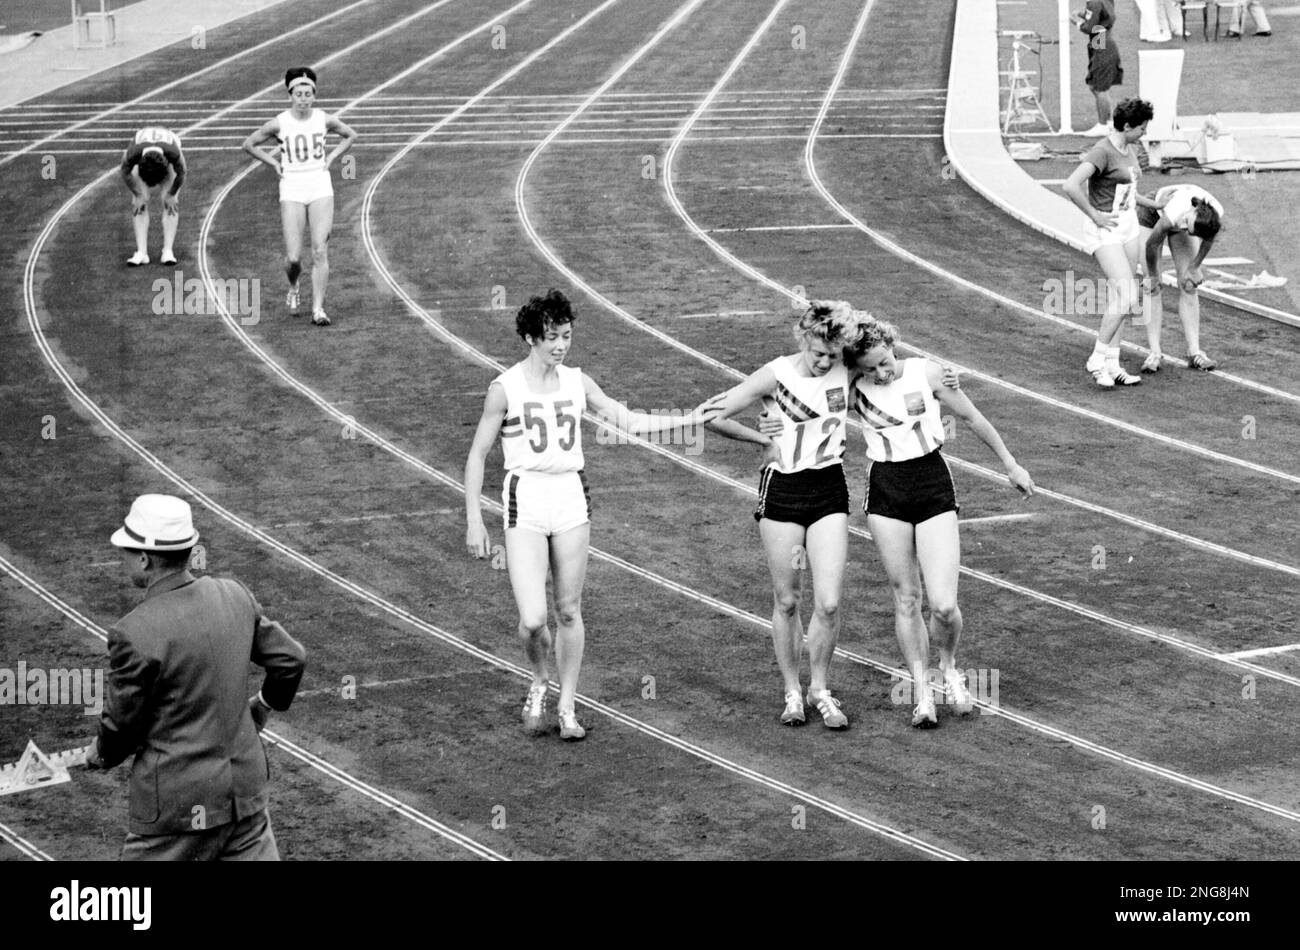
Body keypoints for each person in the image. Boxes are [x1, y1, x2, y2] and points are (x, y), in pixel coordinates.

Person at [464, 290, 745, 741]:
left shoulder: (578, 381)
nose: (561, 346)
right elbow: (478, 455)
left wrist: (688, 419)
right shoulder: (505, 388)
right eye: (552, 337)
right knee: (533, 619)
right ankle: (539, 678)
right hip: (526, 500)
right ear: (531, 338)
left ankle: (568, 704)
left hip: (571, 496)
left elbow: (627, 421)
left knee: (568, 610)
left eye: (566, 336)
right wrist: (474, 519)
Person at [84, 494, 306, 861]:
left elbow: (123, 724)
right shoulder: (234, 596)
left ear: (144, 558)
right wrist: (264, 706)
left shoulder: (134, 633)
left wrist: (102, 753)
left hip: (177, 813)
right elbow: (291, 659)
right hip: (244, 799)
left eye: (125, 549)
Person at [844, 316, 1034, 728]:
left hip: (931, 483)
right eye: (871, 367)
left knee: (944, 604)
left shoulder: (927, 372)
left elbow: (972, 417)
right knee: (907, 597)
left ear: (894, 348)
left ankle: (949, 667)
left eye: (885, 361)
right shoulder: (849, 387)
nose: (882, 372)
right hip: (885, 487)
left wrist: (1011, 464)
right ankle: (922, 689)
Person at [695, 302, 863, 729]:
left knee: (828, 601)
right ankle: (792, 691)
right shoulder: (776, 374)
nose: (825, 362)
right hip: (783, 491)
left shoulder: (847, 367)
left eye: (832, 355)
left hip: (829, 489)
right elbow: (711, 414)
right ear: (803, 338)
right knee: (787, 599)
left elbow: (888, 365)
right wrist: (759, 439)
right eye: (818, 353)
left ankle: (820, 688)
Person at [242, 66, 358, 327]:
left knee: (320, 250)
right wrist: (272, 163)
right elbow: (248, 144)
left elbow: (350, 135)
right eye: (299, 93)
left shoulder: (323, 119)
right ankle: (294, 286)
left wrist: (332, 156)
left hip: (319, 186)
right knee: (294, 258)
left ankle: (318, 309)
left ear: (314, 96)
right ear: (290, 95)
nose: (304, 98)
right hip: (292, 187)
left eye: (308, 93)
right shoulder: (279, 122)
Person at [1062, 97, 1162, 387]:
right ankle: (1097, 357)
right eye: (1141, 128)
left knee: (1121, 297)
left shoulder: (1129, 148)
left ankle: (1113, 364)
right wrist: (1094, 215)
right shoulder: (1102, 151)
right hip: (1105, 229)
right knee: (1129, 296)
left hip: (1128, 225)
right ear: (1128, 126)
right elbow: (1070, 185)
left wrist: (1154, 204)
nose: (1144, 133)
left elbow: (1129, 193)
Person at [1138, 183, 1224, 371]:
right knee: (1151, 285)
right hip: (1153, 213)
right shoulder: (1176, 215)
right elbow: (1151, 245)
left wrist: (1194, 267)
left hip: (1183, 217)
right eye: (1187, 224)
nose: (1184, 227)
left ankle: (1195, 352)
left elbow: (1208, 240)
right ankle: (1154, 352)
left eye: (1189, 229)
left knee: (1189, 284)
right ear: (1194, 210)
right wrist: (1153, 275)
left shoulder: (1213, 217)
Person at [119, 126, 186, 266]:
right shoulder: (132, 154)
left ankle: (168, 251)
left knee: (170, 203)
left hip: (166, 156)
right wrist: (137, 195)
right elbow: (125, 172)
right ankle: (141, 252)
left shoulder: (174, 153)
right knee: (139, 204)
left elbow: (182, 173)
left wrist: (172, 194)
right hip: (144, 157)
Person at [1073, 0, 1123, 136]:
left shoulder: (1094, 3)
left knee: (1099, 87)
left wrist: (1076, 22)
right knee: (1096, 86)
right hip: (1102, 42)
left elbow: (1089, 28)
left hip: (1101, 45)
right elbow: (1102, 19)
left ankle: (1103, 124)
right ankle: (1110, 122)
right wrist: (1084, 15)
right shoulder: (1106, 1)